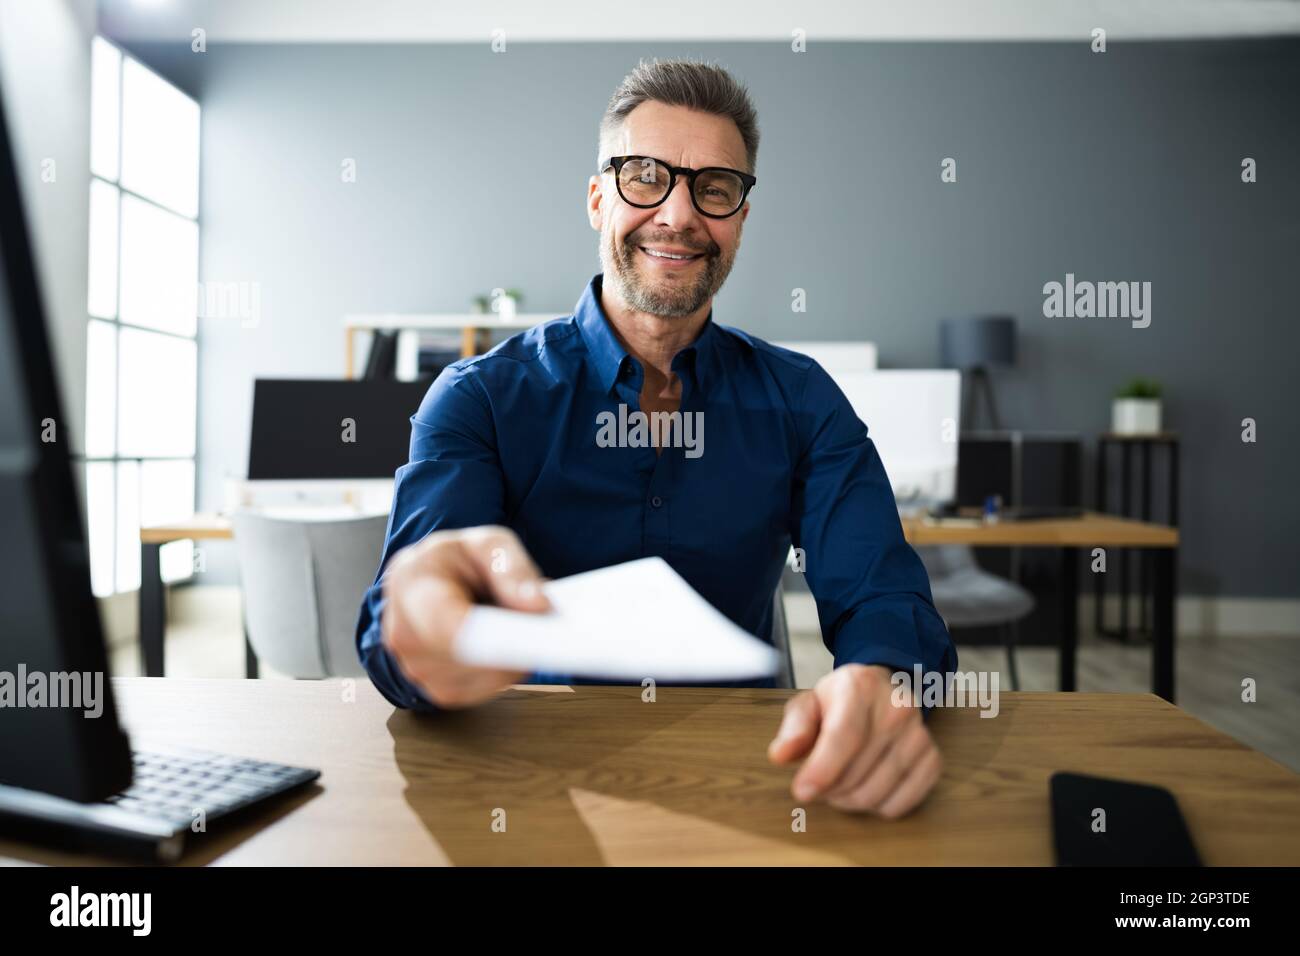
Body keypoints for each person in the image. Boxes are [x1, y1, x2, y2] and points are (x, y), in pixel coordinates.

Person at [357, 58, 957, 818]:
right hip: (530, 781)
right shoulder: (480, 399)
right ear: (598, 196)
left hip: (754, 777)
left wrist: (881, 678)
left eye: (713, 188)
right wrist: (419, 638)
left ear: (739, 216)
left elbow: (883, 596)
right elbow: (407, 624)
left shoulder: (801, 400)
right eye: (646, 175)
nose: (678, 214)